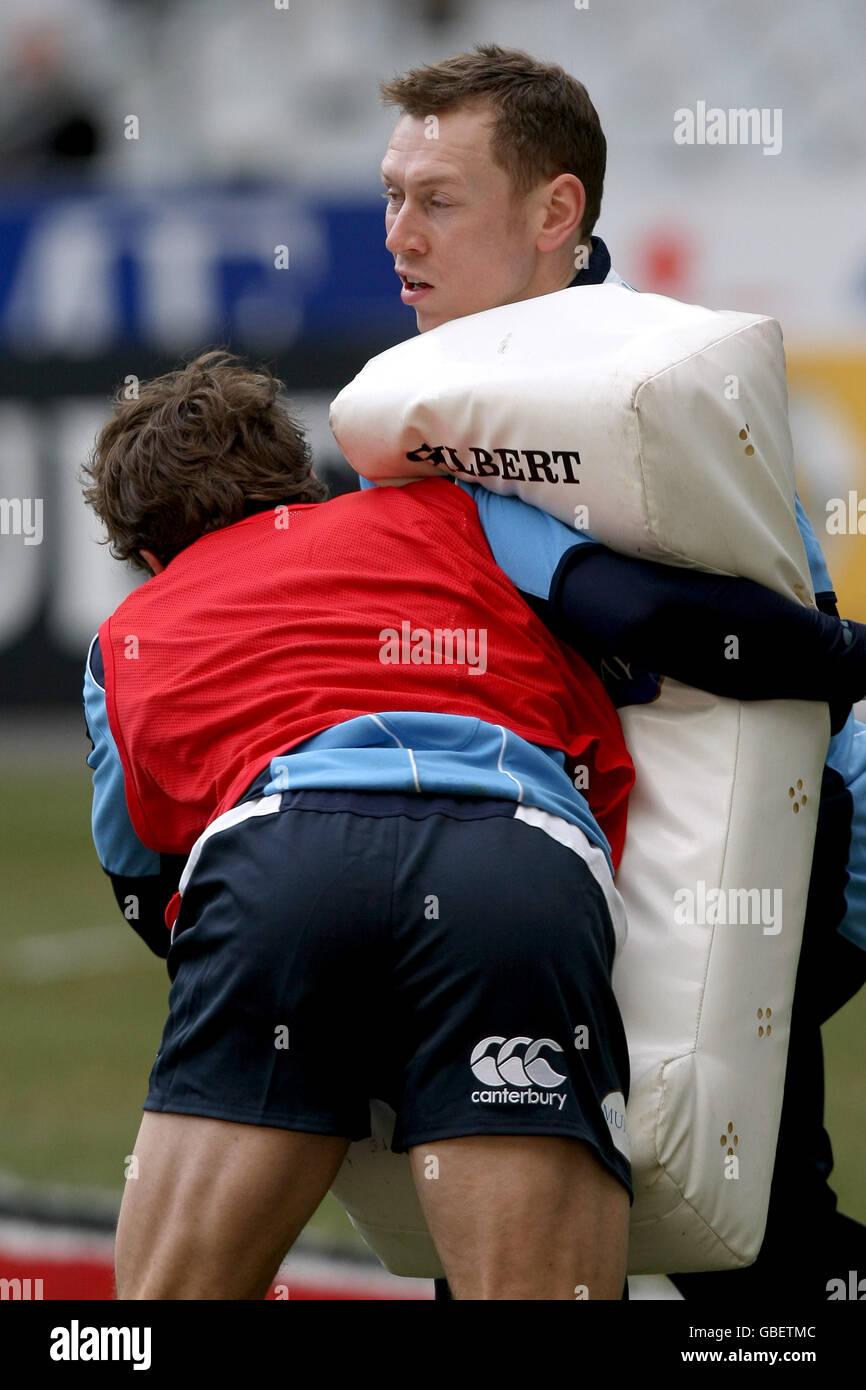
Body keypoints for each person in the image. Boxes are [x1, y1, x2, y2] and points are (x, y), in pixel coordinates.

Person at [82, 352, 865, 1301]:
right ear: (303, 476)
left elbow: (146, 891)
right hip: (517, 861)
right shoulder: (453, 509)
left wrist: (317, 1006)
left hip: (277, 866)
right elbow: (658, 616)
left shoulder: (126, 634)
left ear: (149, 554)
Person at [373, 42, 866, 1301]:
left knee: (730, 1236)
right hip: (626, 833)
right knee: (525, 1184)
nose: (398, 235)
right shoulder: (439, 397)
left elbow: (720, 631)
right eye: (391, 195)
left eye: (437, 200)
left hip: (781, 832)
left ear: (555, 212)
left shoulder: (645, 375)